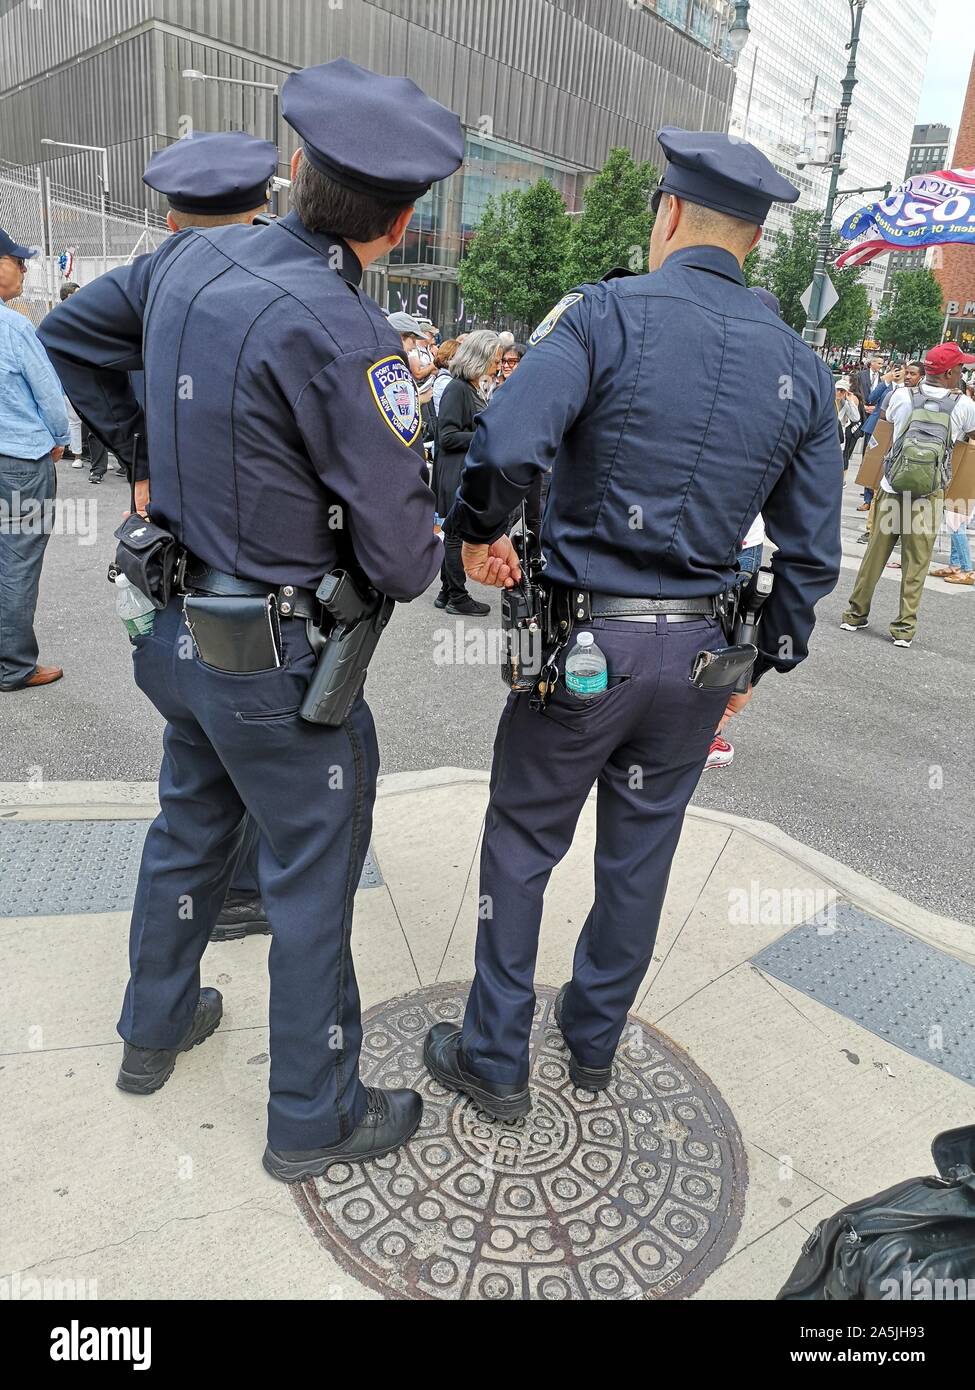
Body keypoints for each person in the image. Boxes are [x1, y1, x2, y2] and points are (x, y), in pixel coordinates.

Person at [39, 57, 464, 1179]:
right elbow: (406, 560)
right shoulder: (348, 333)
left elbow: (72, 337)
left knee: (187, 828)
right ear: (405, 218)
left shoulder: (187, 260)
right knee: (312, 878)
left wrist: (144, 457)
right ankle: (311, 1112)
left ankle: (152, 1025)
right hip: (277, 671)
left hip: (175, 638)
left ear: (291, 169)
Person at [422, 127, 842, 1116]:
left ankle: (495, 1056)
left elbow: (508, 444)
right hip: (701, 652)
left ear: (666, 214)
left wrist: (482, 533)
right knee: (641, 855)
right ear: (752, 239)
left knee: (524, 841)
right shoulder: (800, 364)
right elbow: (812, 555)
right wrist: (761, 651)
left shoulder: (605, 316)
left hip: (585, 646)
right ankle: (594, 1040)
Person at [840, 341, 975, 647]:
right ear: (951, 372)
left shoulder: (902, 395)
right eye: (961, 368)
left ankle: (855, 615)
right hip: (926, 497)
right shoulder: (964, 406)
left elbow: (887, 424)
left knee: (875, 557)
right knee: (915, 565)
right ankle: (903, 629)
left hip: (892, 488)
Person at [0, 228, 70, 693]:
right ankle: (13, 666)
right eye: (16, 260)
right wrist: (61, 437)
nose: (24, 267)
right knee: (19, 559)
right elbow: (48, 394)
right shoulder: (14, 326)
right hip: (20, 458)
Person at [433, 329, 501, 615]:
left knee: (454, 533)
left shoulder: (468, 387)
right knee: (455, 535)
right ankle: (457, 596)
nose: (498, 364)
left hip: (458, 470)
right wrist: (485, 434)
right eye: (495, 359)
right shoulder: (458, 388)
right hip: (453, 472)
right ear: (481, 357)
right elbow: (446, 436)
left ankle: (448, 592)